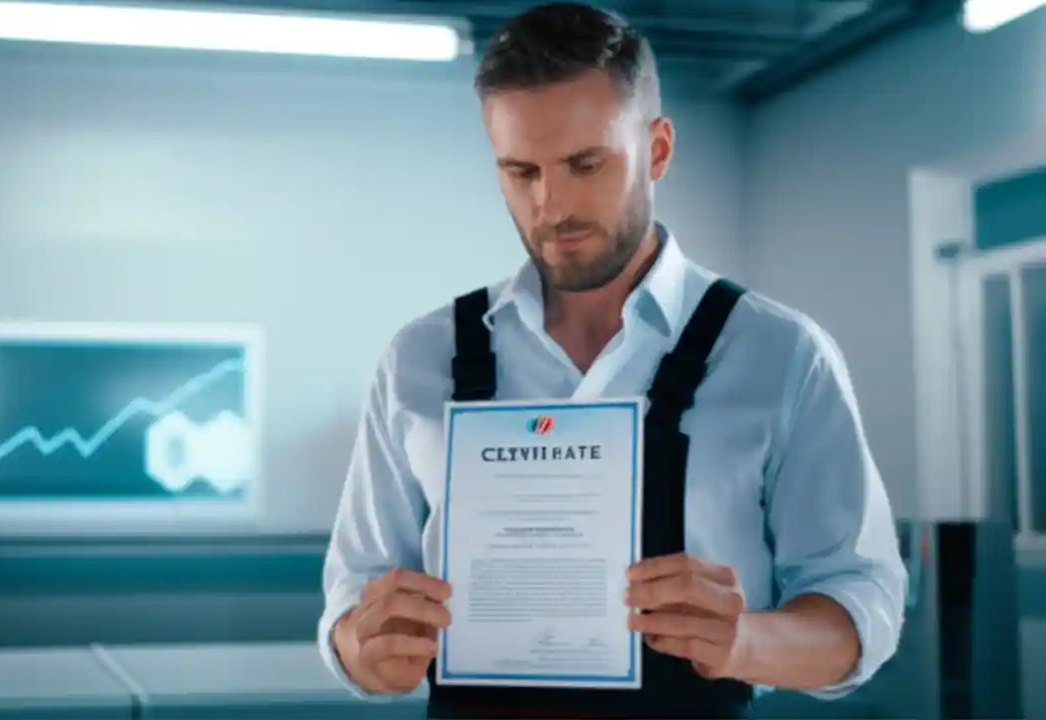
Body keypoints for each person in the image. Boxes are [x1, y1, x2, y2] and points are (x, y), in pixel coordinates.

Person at [316, 3, 907, 718]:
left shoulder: (780, 355)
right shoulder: (420, 359)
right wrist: (364, 648)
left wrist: (743, 639)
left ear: (657, 151)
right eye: (520, 171)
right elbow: (354, 601)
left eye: (584, 164)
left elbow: (861, 603)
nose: (551, 205)